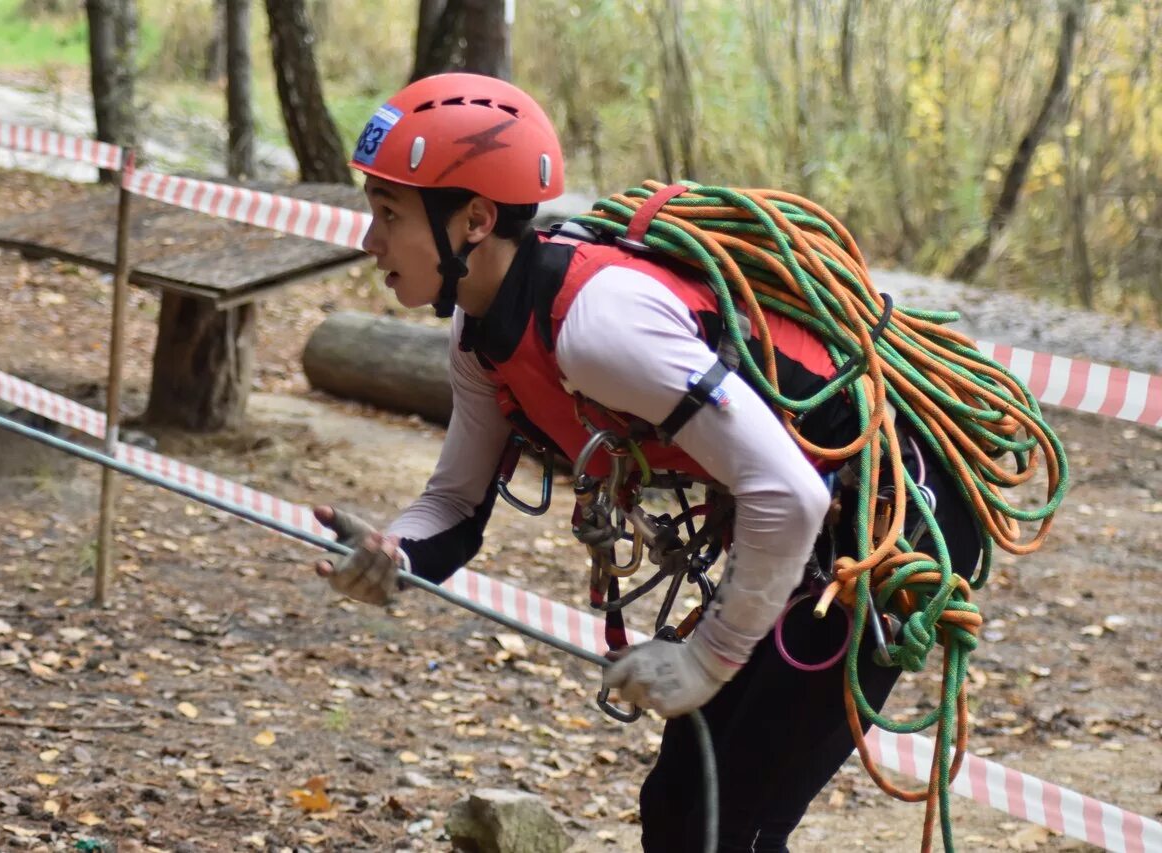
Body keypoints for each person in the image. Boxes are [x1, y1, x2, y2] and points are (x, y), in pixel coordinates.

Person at [312, 73, 981, 852]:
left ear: (474, 220)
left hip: (894, 507)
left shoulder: (600, 327)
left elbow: (791, 494)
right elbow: (456, 504)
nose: (370, 240)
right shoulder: (481, 332)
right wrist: (394, 552)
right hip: (799, 518)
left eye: (388, 214)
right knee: (682, 809)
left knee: (734, 818)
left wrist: (705, 660)